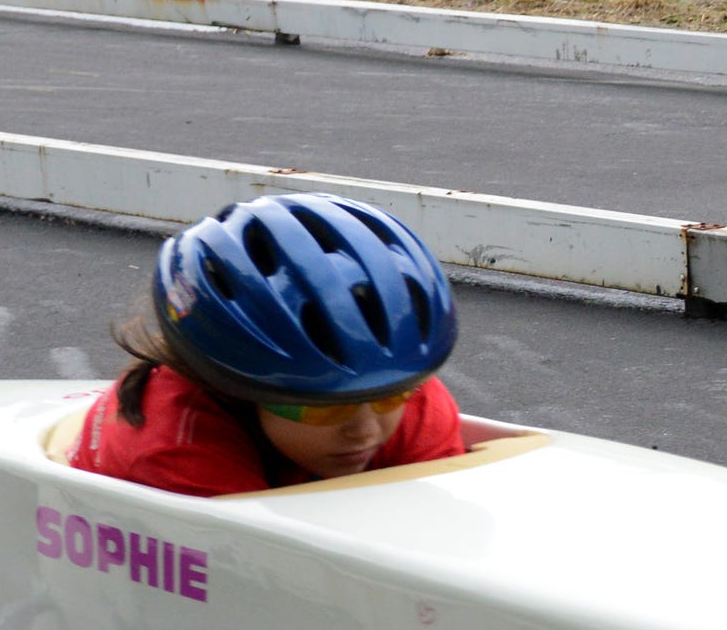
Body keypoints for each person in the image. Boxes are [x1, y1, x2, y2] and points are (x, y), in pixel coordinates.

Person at [73, 193, 468, 496]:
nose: (364, 431)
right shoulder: (174, 451)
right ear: (236, 388)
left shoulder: (406, 390)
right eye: (324, 409)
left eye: (391, 397)